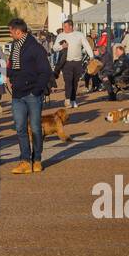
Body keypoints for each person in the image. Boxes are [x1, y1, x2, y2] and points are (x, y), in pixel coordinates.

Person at [7, 18, 52, 174]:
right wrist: (10, 78)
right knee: (20, 128)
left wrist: (37, 90)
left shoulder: (35, 48)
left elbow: (46, 71)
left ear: (18, 31)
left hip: (33, 94)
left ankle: (37, 159)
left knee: (35, 128)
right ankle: (25, 160)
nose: (10, 34)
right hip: (17, 94)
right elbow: (12, 66)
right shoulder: (14, 46)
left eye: (10, 31)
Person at [54, 19, 90, 107]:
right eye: (63, 26)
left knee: (75, 82)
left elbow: (86, 45)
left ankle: (73, 100)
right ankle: (67, 100)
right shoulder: (61, 35)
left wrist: (91, 56)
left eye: (65, 26)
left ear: (71, 26)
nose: (63, 28)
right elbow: (54, 48)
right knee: (68, 81)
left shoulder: (79, 35)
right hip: (67, 62)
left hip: (78, 62)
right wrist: (61, 46)